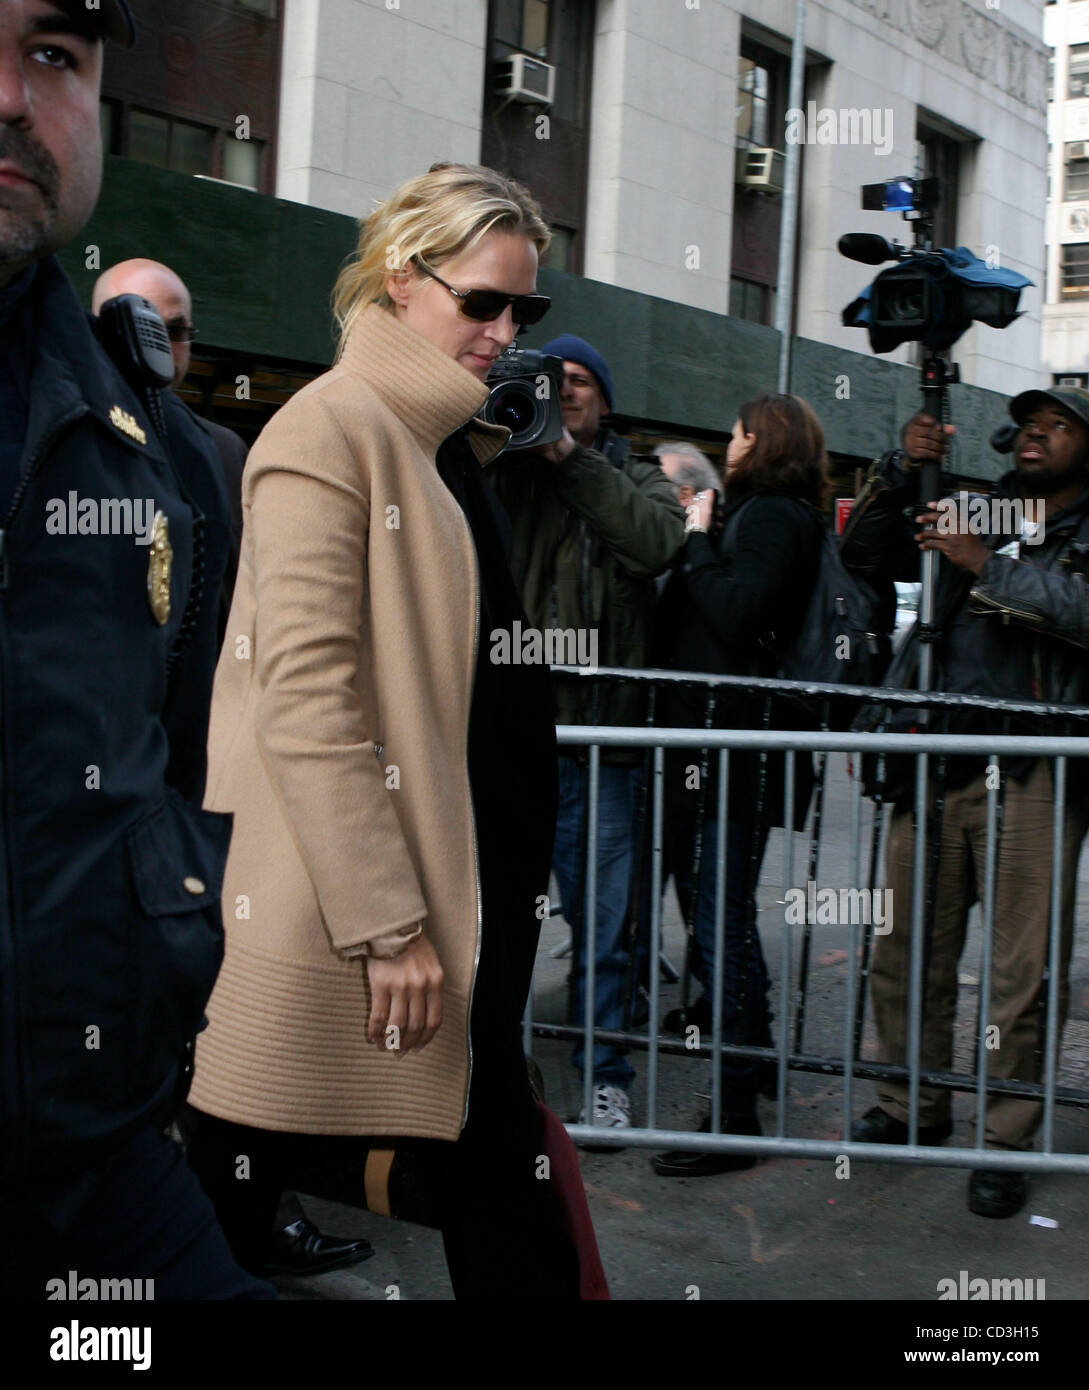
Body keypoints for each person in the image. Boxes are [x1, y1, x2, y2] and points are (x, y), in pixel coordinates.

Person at [183, 162, 597, 1299]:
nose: (506, 332)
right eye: (483, 302)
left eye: (525, 310)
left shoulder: (438, 448)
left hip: (470, 893)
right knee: (484, 1194)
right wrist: (387, 922)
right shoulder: (330, 432)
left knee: (257, 1161)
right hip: (388, 907)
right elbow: (306, 698)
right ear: (403, 282)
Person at [0, 0, 269, 1299]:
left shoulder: (145, 446)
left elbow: (178, 731)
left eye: (54, 53)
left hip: (92, 1140)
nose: (12, 96)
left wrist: (174, 919)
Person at [91, 258, 374, 1277]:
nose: (156, 346)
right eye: (132, 325)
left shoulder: (222, 453)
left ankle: (248, 1215)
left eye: (175, 326)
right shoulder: (61, 449)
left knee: (222, 1017)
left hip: (210, 796)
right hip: (89, 802)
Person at [841, 388, 1089, 1218]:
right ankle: (908, 1102)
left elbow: (1080, 613)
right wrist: (901, 469)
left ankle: (1004, 1140)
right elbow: (865, 555)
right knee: (904, 948)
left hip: (1031, 769)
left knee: (1020, 972)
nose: (1036, 437)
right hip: (935, 755)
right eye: (1027, 425)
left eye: (1057, 428)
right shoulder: (971, 501)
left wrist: (986, 567)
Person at [488, 335, 685, 1137]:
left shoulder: (634, 478)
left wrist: (568, 458)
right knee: (498, 919)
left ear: (603, 399)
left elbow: (656, 544)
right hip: (515, 735)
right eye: (548, 381)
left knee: (603, 928)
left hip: (603, 743)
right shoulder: (503, 469)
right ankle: (495, 1077)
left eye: (576, 382)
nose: (560, 392)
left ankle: (604, 1077)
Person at [649, 394, 826, 1176]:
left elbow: (736, 609)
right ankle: (749, 1067)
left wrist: (695, 539)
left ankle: (734, 1114)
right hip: (724, 750)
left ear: (760, 441)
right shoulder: (765, 514)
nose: (726, 443)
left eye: (734, 431)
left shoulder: (770, 517)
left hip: (735, 752)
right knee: (722, 920)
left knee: (720, 925)